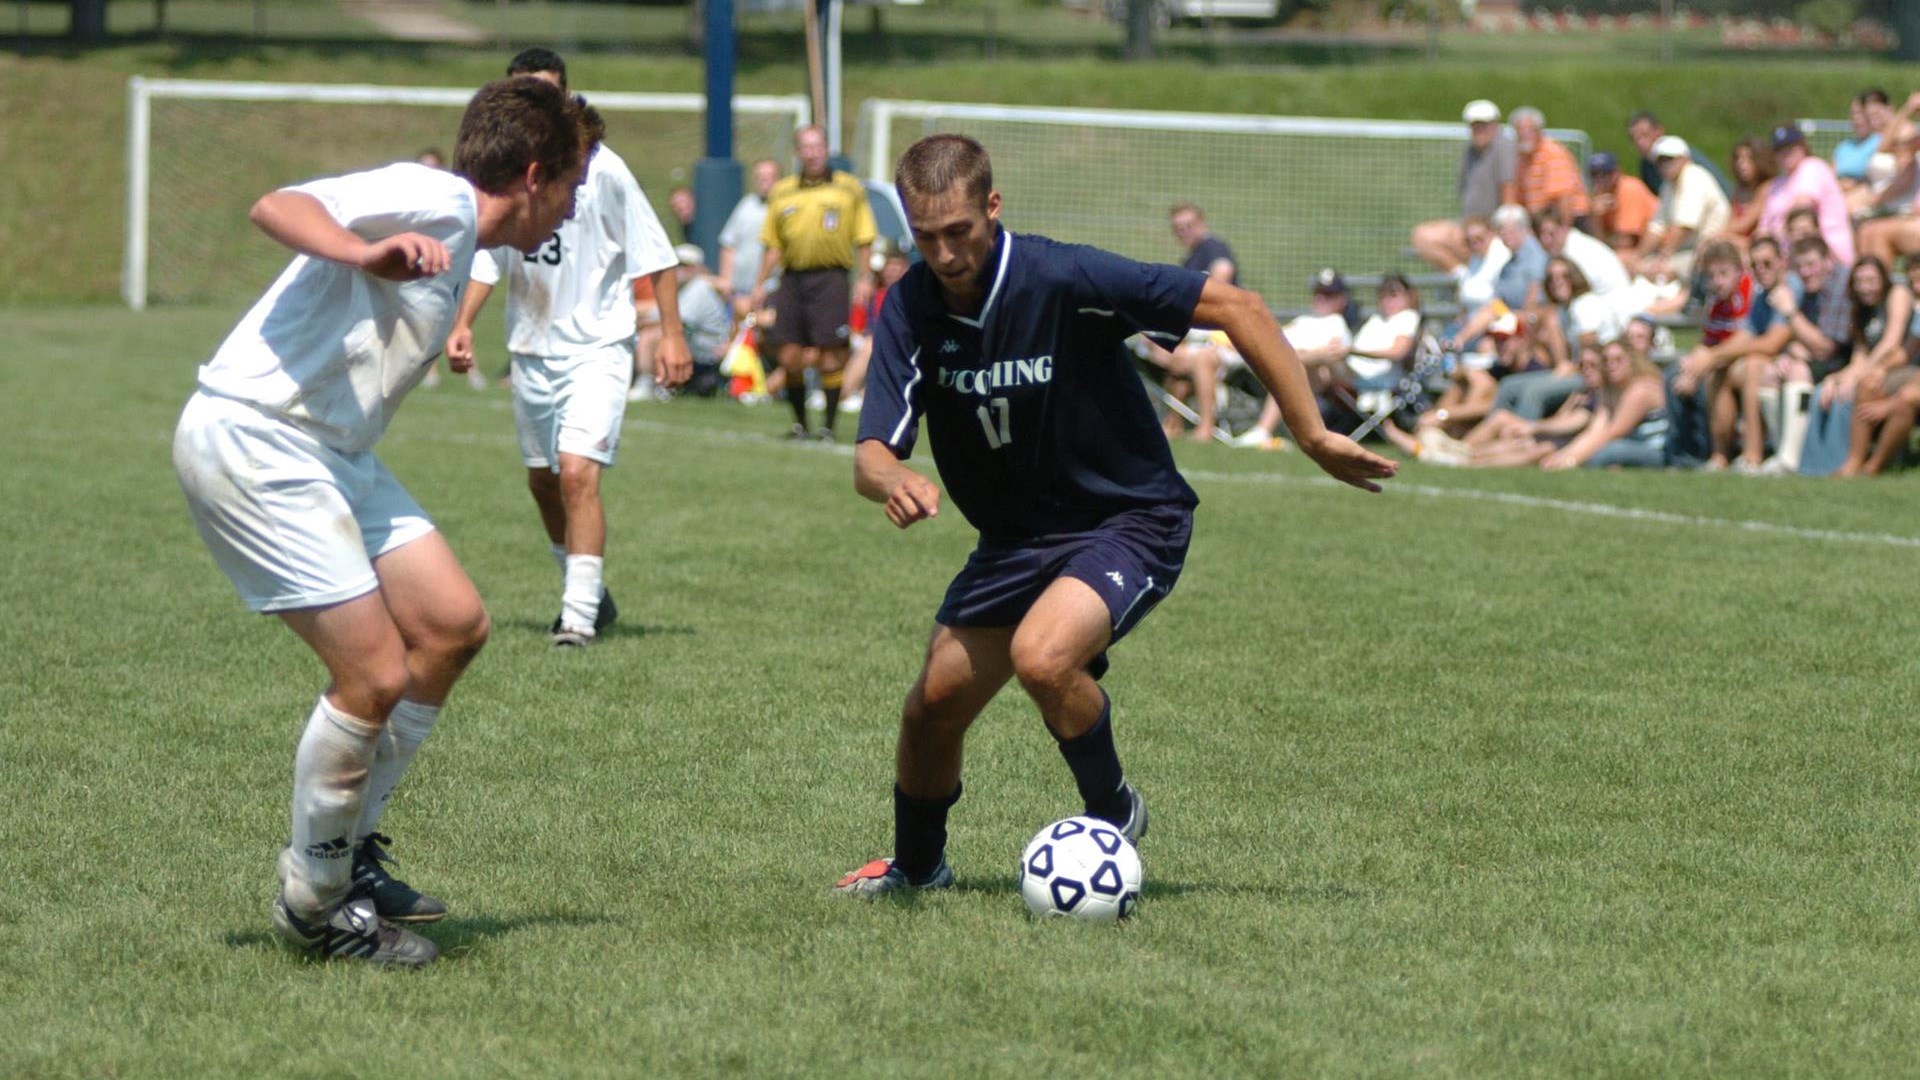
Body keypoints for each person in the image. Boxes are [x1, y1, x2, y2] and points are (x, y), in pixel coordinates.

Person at [834, 133, 1395, 897]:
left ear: (993, 207)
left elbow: (1238, 306)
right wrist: (892, 476)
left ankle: (1113, 813)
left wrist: (1311, 433)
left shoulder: (1064, 277)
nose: (944, 253)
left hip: (1129, 517)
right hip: (1014, 541)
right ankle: (919, 868)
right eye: (925, 236)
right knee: (932, 707)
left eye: (958, 231)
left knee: (1042, 658)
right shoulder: (911, 305)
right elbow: (869, 455)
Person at [171, 76, 595, 966]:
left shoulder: (466, 242)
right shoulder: (436, 197)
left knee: (451, 624)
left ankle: (352, 847)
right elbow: (277, 204)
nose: (571, 205)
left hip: (333, 452)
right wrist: (364, 254)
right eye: (571, 184)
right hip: (259, 437)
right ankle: (317, 904)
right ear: (533, 175)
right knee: (372, 673)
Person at [446, 49, 688, 649]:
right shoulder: (510, 171)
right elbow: (490, 257)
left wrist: (673, 335)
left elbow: (654, 252)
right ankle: (590, 591)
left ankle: (576, 616)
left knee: (577, 472)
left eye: (544, 92)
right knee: (543, 481)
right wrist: (463, 322)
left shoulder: (603, 169)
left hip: (598, 346)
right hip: (531, 346)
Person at [748, 124, 877, 441]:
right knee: (789, 354)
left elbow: (864, 238)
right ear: (797, 152)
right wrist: (759, 284)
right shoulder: (783, 191)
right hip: (792, 279)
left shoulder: (849, 188)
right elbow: (772, 245)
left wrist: (865, 277)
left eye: (817, 146)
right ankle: (800, 425)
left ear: (826, 149)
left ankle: (828, 427)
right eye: (805, 147)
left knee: (831, 354)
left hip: (831, 277)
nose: (812, 153)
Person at [1227, 268, 1353, 449]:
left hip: (1311, 377)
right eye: (1318, 293)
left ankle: (1263, 430)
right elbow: (1272, 339)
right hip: (1277, 367)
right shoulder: (1302, 321)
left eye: (1328, 295)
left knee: (1294, 367)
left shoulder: (1338, 325)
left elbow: (1331, 360)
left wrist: (1295, 356)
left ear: (1342, 300)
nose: (1321, 298)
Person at [1148, 202, 1240, 441]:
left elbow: (1222, 275)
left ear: (1201, 223)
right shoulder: (1190, 259)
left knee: (1199, 359)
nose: (1183, 232)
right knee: (1172, 356)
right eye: (1178, 228)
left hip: (1224, 338)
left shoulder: (1213, 247)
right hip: (1200, 335)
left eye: (1188, 225)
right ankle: (1173, 423)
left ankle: (1205, 428)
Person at [1410, 99, 1515, 272]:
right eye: (1475, 125)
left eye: (1484, 125)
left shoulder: (1503, 147)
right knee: (1422, 236)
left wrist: (1500, 229)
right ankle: (1462, 276)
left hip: (1491, 230)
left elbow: (1508, 193)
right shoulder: (1470, 152)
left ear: (1495, 125)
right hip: (1469, 226)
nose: (1479, 130)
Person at [1540, 340, 1668, 470]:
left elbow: (1614, 432)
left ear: (1631, 362)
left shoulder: (1640, 390)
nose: (1612, 365)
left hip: (1658, 450)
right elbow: (1596, 430)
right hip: (1633, 444)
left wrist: (1572, 460)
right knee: (1602, 452)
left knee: (1605, 454)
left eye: (1618, 360)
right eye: (1606, 361)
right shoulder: (1610, 390)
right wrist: (1563, 455)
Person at [1631, 136, 1731, 283]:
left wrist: (1662, 258)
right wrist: (1638, 256)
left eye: (1670, 159)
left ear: (1684, 159)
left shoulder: (1693, 177)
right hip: (1687, 250)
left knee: (1659, 271)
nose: (1665, 165)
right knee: (1635, 265)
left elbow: (1684, 227)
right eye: (1660, 161)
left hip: (1710, 249)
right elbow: (1656, 227)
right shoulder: (1668, 185)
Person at [1760, 125, 1855, 267]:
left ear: (1801, 147)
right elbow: (1764, 227)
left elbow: (1801, 212)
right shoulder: (1777, 184)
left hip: (1826, 254)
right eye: (1779, 150)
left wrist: (1773, 241)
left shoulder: (1811, 167)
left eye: (1790, 148)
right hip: (1788, 255)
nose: (1785, 154)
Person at [1503, 107, 1589, 230]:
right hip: (1540, 219)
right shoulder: (1521, 158)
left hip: (1567, 220)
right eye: (1520, 130)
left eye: (1530, 130)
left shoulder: (1552, 153)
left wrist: (1563, 231)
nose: (1524, 134)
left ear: (1539, 131)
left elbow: (1564, 198)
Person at [717, 158, 782, 319]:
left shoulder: (785, 208)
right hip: (740, 290)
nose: (764, 182)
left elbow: (776, 251)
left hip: (772, 290)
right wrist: (726, 279)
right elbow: (728, 244)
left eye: (769, 177)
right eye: (760, 177)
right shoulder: (746, 205)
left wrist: (761, 286)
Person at [671, 242, 736, 394]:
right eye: (676, 265)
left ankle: (650, 383)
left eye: (684, 265)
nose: (678, 270)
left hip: (709, 356)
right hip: (697, 351)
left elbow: (678, 321)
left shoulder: (698, 287)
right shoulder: (685, 287)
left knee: (655, 336)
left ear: (696, 268)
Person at [1627, 110, 1731, 197]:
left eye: (1645, 135)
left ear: (1659, 131)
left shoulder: (1678, 153)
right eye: (1635, 139)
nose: (1640, 143)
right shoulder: (1646, 165)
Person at [1588, 151, 1658, 255]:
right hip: (1641, 247)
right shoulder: (1600, 195)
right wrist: (1595, 217)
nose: (1599, 179)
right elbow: (1598, 241)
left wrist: (1607, 242)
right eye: (1594, 174)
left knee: (1619, 257)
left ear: (1617, 172)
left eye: (1605, 173)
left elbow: (1626, 241)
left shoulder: (1629, 188)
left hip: (1661, 245)